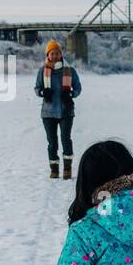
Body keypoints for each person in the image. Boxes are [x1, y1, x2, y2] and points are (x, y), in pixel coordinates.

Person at [34, 39, 82, 179]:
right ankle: (54, 169)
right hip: (48, 113)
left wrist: (71, 94)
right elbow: (37, 88)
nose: (55, 56)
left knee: (66, 139)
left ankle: (67, 169)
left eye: (57, 53)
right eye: (52, 53)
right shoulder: (42, 71)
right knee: (52, 141)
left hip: (66, 111)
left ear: (61, 54)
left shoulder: (70, 70)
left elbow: (78, 88)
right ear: (48, 55)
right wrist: (43, 92)